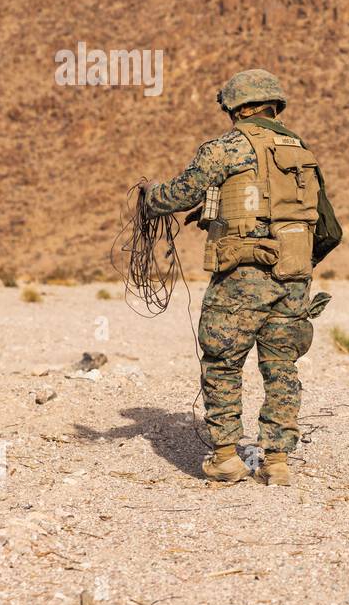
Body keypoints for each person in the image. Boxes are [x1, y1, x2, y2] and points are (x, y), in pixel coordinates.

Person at [142, 69, 337, 485]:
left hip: (241, 277)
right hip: (295, 277)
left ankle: (227, 457)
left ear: (238, 107)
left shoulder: (226, 148)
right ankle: (278, 461)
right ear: (273, 105)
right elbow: (329, 230)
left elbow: (183, 193)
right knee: (282, 366)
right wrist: (296, 262)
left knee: (223, 361)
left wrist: (149, 198)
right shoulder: (301, 152)